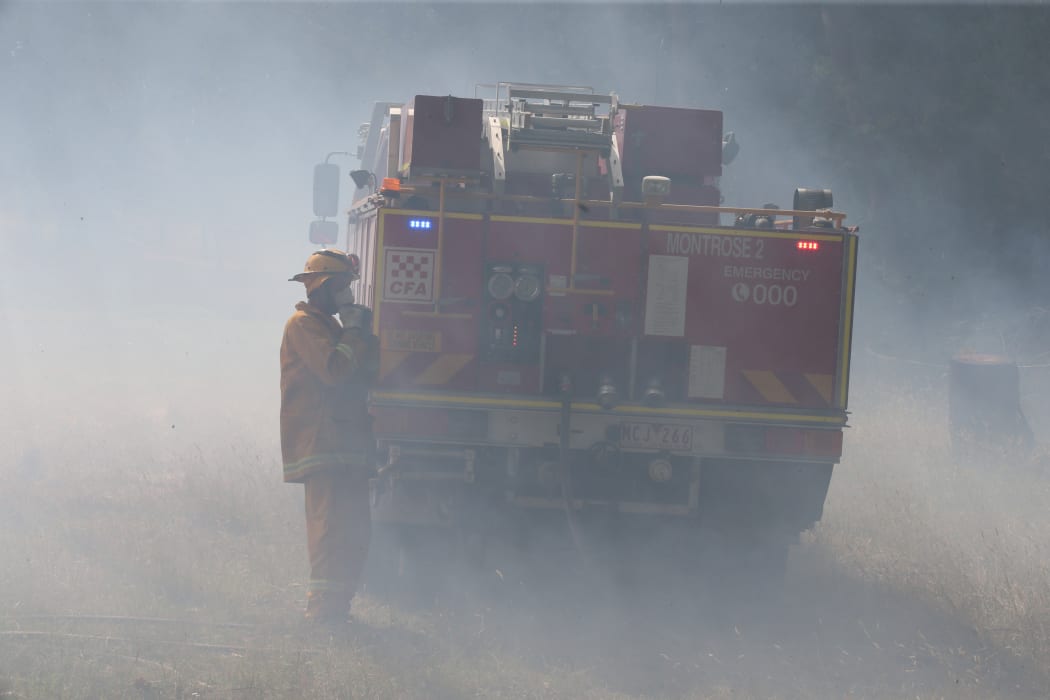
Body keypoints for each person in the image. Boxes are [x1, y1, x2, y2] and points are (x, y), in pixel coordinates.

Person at [280, 249, 378, 623]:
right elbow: (333, 371)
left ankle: (340, 608)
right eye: (341, 285)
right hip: (321, 445)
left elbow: (365, 374)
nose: (347, 294)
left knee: (355, 532)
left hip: (348, 447)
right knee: (328, 531)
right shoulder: (303, 326)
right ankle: (321, 613)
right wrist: (352, 334)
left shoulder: (333, 329)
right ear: (321, 287)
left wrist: (364, 336)